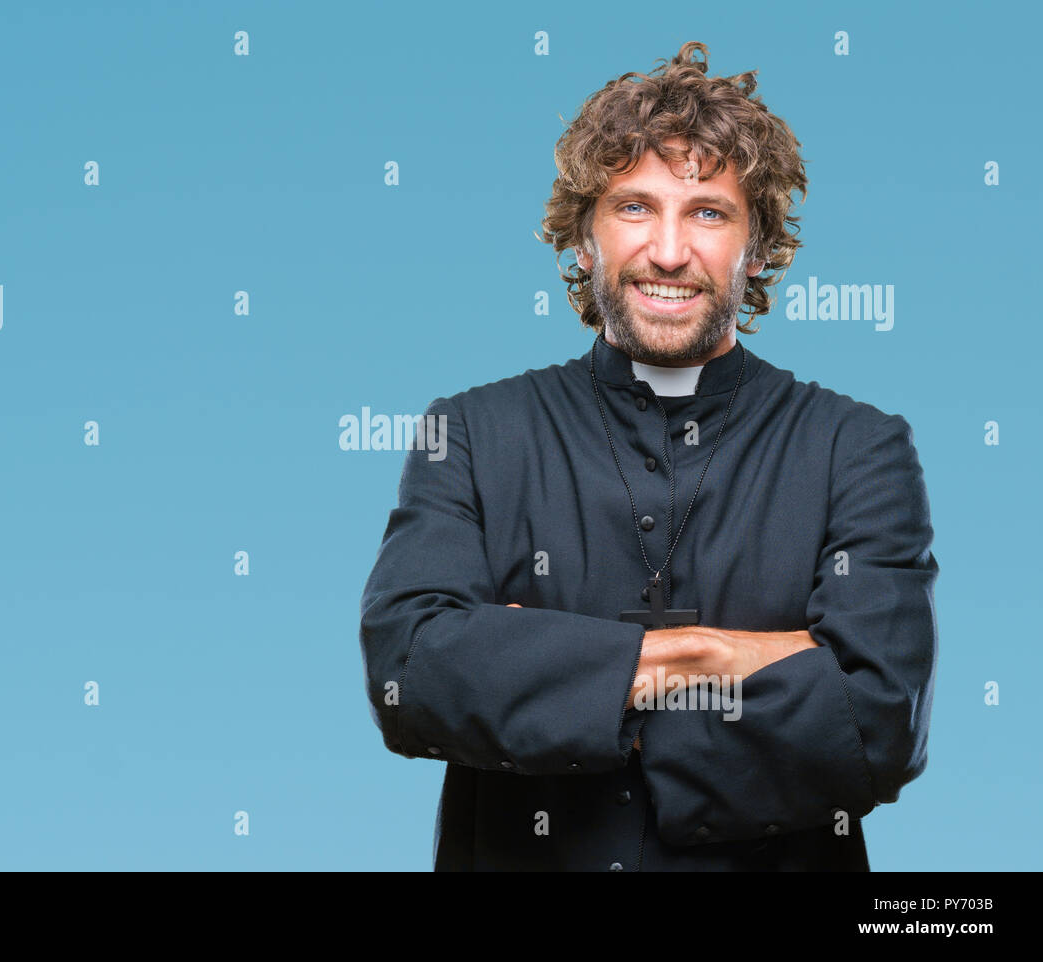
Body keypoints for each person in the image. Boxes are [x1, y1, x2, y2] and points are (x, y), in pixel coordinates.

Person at [358, 41, 937, 871]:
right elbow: (411, 674)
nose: (668, 252)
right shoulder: (473, 433)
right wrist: (744, 658)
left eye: (708, 212)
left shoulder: (858, 448)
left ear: (759, 246)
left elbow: (879, 721)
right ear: (584, 240)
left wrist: (550, 668)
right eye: (634, 207)